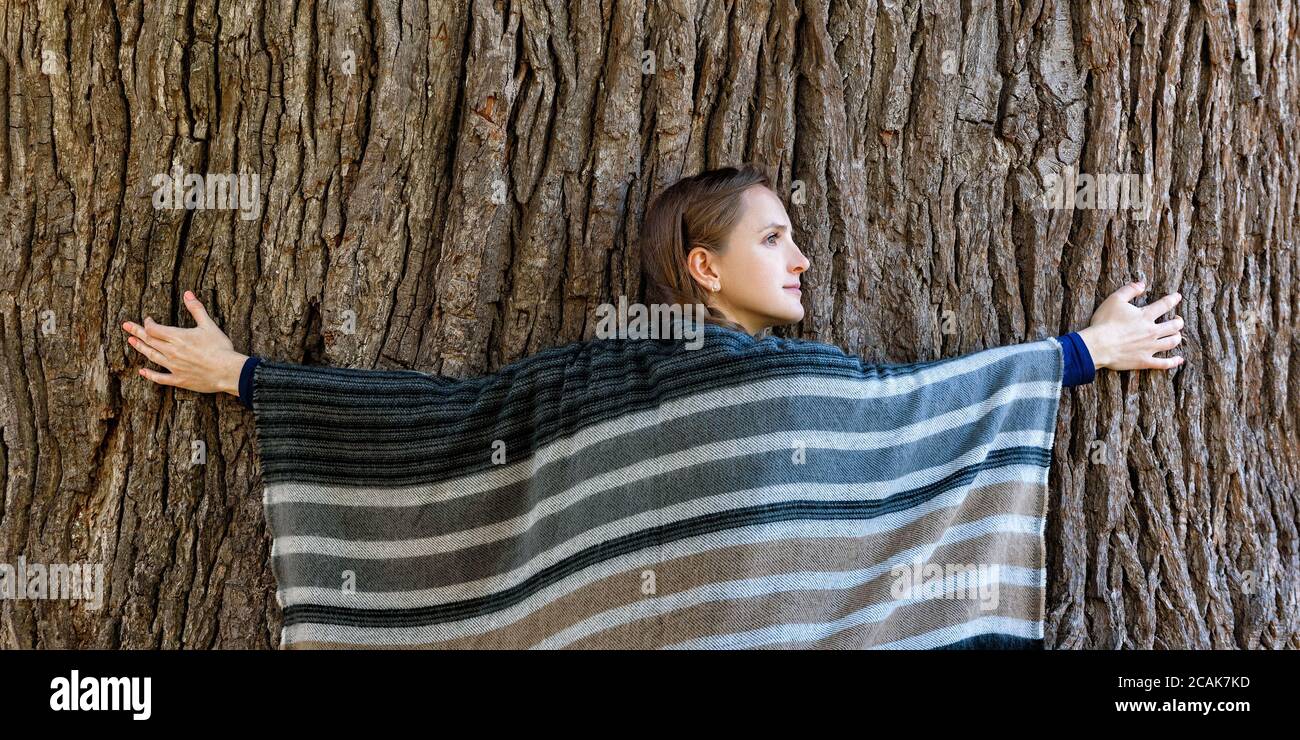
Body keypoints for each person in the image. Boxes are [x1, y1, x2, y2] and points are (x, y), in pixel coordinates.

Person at [120, 164, 1185, 406]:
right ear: (704, 266)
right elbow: (449, 416)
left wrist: (1090, 346)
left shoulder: (818, 379)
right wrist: (248, 375)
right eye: (776, 239)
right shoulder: (610, 377)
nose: (804, 259)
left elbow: (914, 405)